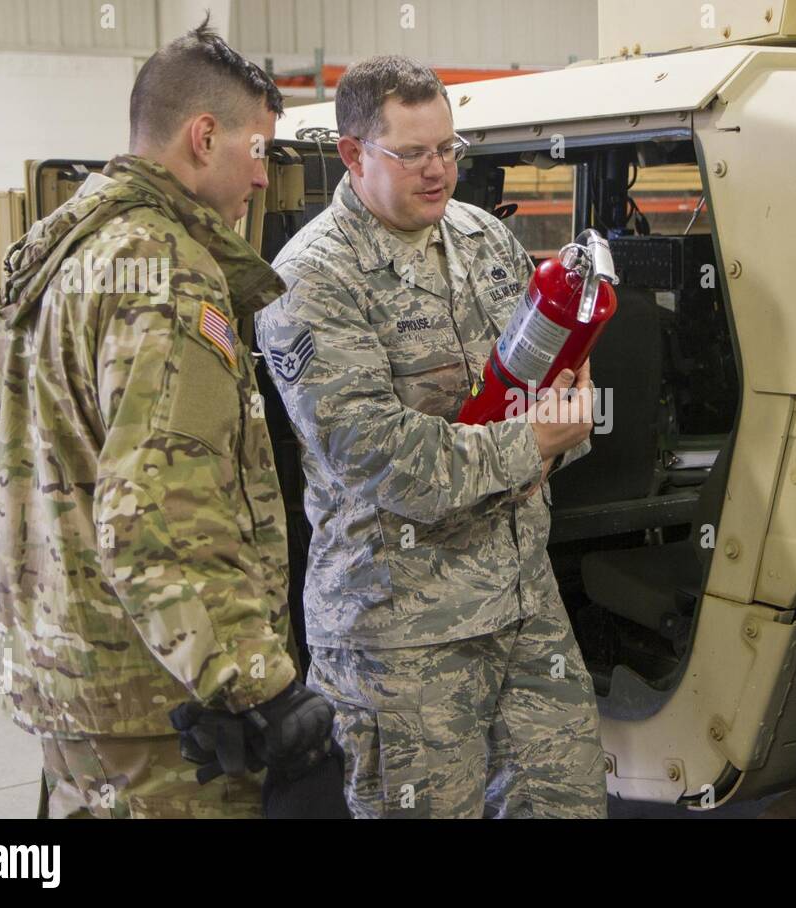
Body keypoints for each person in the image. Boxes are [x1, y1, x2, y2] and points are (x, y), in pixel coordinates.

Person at [0, 18, 336, 819]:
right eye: (257, 152)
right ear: (204, 135)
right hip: (158, 705)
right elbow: (158, 508)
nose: (261, 179)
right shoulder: (169, 277)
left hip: (74, 676)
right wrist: (258, 683)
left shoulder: (68, 250)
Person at [257, 55, 607, 818]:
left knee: (572, 803)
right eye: (412, 154)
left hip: (520, 604)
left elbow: (539, 376)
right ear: (353, 154)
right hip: (399, 636)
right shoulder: (311, 281)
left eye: (448, 149)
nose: (438, 171)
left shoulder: (482, 239)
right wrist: (534, 446)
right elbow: (380, 458)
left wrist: (569, 412)